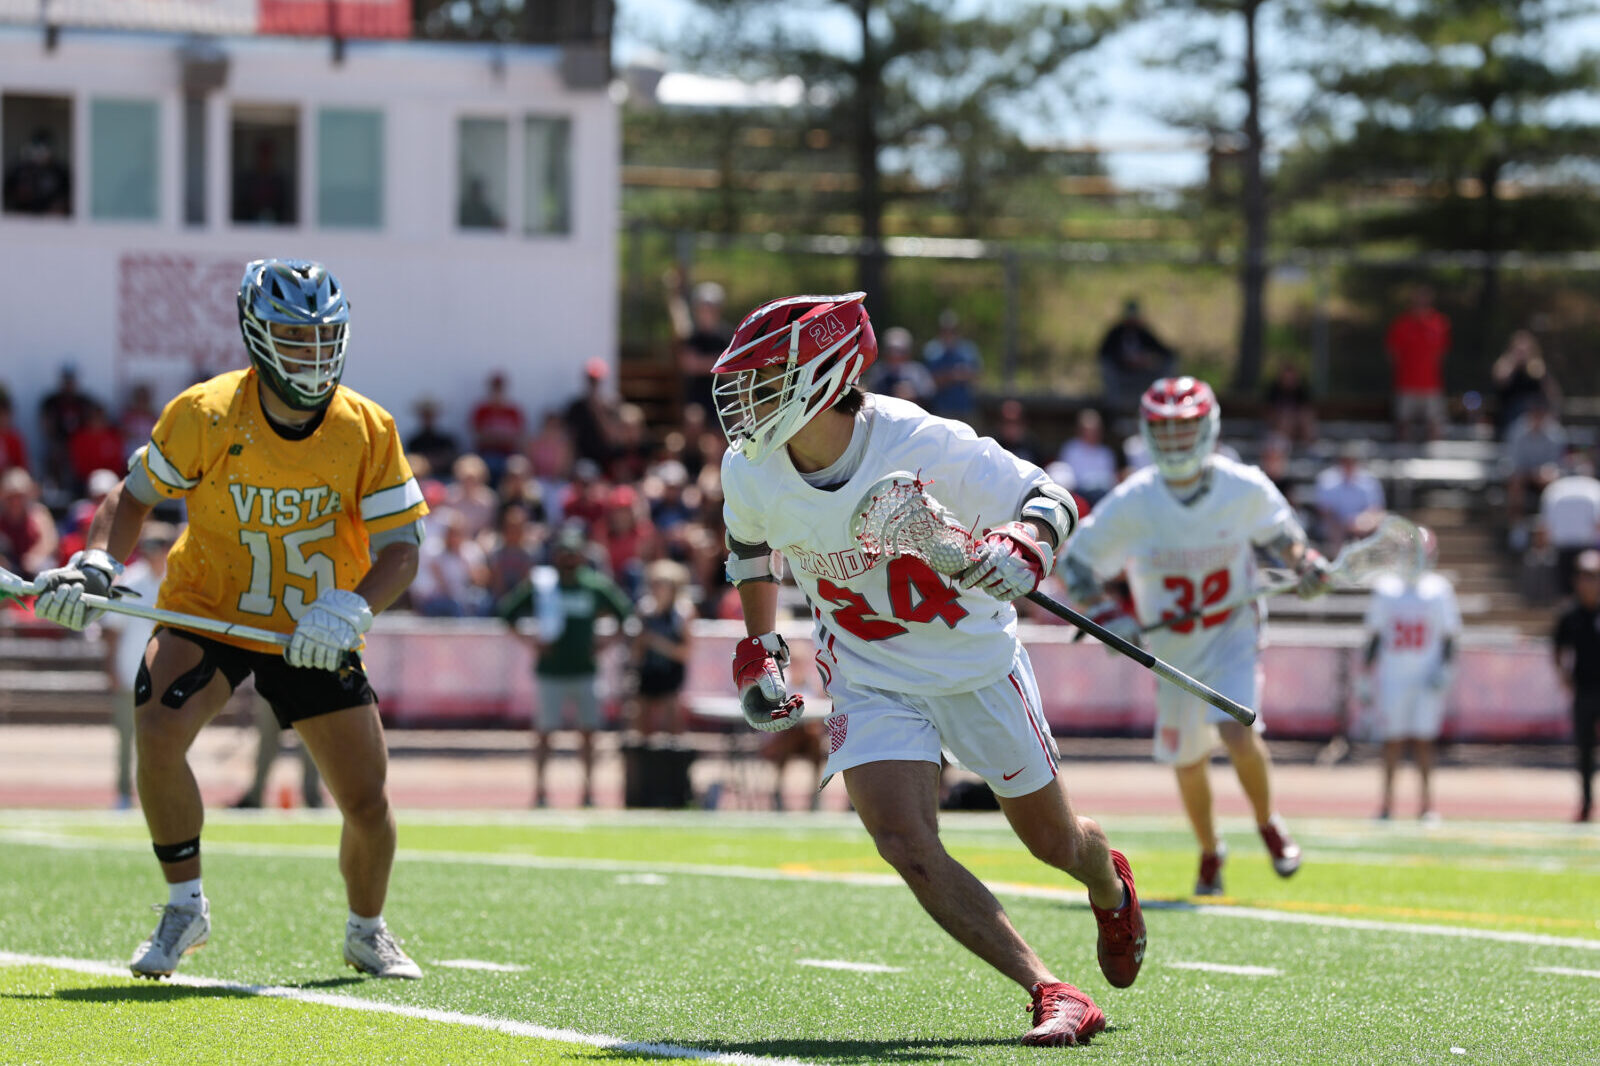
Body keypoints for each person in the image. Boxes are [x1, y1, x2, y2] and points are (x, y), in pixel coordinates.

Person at [713, 291, 1144, 1046]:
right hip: (870, 671)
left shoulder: (922, 439)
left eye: (767, 381)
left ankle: (1108, 881)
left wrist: (1024, 546)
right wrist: (762, 647)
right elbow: (751, 548)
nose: (748, 402)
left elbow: (1051, 496)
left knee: (1051, 843)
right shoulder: (749, 469)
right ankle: (1051, 989)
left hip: (973, 665)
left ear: (821, 378)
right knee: (904, 842)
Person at [30, 258, 427, 981]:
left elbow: (403, 546)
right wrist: (94, 564)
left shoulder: (367, 426)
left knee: (367, 799)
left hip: (311, 627)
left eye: (322, 335)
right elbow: (133, 495)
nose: (311, 352)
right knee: (155, 724)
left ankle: (367, 928)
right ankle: (185, 906)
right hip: (208, 607)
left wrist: (354, 605)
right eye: (291, 335)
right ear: (254, 334)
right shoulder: (208, 411)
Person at [1063, 377, 1327, 897]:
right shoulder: (1134, 501)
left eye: (1186, 430)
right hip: (1172, 651)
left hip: (1232, 631)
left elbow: (1285, 541)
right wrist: (1106, 611)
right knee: (1188, 762)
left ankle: (1268, 822)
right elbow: (1077, 565)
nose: (1178, 442)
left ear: (1208, 430)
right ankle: (1211, 851)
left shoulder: (1241, 486)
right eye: (1166, 430)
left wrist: (1308, 565)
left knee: (1235, 730)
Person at [498, 520, 632, 808]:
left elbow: (626, 615)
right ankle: (541, 791)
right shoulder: (543, 585)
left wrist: (605, 643)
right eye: (564, 554)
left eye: (573, 554)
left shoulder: (594, 585)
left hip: (584, 670)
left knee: (588, 734)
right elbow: (507, 613)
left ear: (582, 555)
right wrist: (531, 641)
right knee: (546, 733)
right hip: (552, 671)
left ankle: (588, 791)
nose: (569, 560)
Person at [1356, 529, 1460, 823]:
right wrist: (1365, 675)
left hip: (1425, 678)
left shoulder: (1439, 590)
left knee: (1425, 741)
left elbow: (1449, 636)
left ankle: (1427, 806)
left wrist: (1445, 669)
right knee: (1392, 741)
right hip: (1394, 678)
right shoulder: (1386, 589)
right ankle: (1387, 805)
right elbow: (1375, 636)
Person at [98, 521, 178, 810]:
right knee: (126, 740)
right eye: (146, 546)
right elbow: (112, 632)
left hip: (167, 677)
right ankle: (123, 794)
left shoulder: (180, 580)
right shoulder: (130, 580)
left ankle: (164, 794)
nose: (149, 552)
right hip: (131, 672)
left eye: (156, 546)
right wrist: (112, 671)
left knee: (168, 739)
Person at [1553, 549, 1600, 823]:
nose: (1589, 582)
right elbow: (1558, 650)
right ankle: (1586, 803)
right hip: (1584, 690)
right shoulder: (1570, 615)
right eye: (1584, 575)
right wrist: (1565, 679)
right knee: (1584, 750)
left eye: (1594, 576)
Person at [627, 558, 694, 739]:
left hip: (671, 675)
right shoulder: (644, 610)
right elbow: (637, 648)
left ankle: (674, 764)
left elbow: (685, 652)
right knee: (641, 720)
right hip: (647, 673)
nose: (657, 590)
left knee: (673, 720)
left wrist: (656, 642)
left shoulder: (682, 613)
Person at [229, 689, 323, 810]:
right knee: (266, 740)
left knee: (310, 741)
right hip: (271, 681)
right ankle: (254, 795)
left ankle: (313, 796)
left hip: (305, 682)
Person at [1384, 284, 1450, 442]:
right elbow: (1393, 353)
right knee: (1403, 422)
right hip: (1406, 383)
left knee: (1435, 422)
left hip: (1432, 384)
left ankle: (1435, 458)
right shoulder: (1401, 324)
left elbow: (1441, 353)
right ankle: (1402, 455)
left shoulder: (1440, 323)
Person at [668, 277, 734, 429]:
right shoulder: (691, 336)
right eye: (702, 307)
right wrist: (715, 364)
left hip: (722, 397)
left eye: (710, 307)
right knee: (693, 419)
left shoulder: (727, 336)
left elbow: (729, 371)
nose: (706, 312)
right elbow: (688, 365)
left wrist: (701, 363)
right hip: (696, 398)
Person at [1097, 299, 1176, 414]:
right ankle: (1115, 412)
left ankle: (1165, 400)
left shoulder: (1143, 333)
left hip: (1142, 373)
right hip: (1120, 373)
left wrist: (1146, 359)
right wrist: (1124, 360)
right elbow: (1104, 353)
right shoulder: (1115, 333)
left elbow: (1164, 351)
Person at [1313, 442, 1386, 554]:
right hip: (1334, 526)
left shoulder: (1370, 481)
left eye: (1352, 460)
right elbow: (1324, 511)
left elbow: (1375, 509)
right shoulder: (1327, 479)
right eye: (1345, 460)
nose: (1349, 464)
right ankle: (1338, 559)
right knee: (1333, 527)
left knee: (1379, 521)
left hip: (1363, 524)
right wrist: (1344, 525)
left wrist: (1361, 522)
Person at [1490, 329, 1560, 439]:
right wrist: (1514, 361)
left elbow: (1551, 392)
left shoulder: (1537, 367)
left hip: (1534, 418)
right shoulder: (1505, 364)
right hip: (1510, 418)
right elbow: (1501, 380)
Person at [920, 308, 982, 422]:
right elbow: (928, 381)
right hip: (941, 410)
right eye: (945, 330)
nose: (949, 333)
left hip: (965, 408)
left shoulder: (969, 349)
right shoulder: (932, 351)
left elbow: (977, 377)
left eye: (952, 330)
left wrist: (962, 375)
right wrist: (952, 376)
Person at [469, 371, 526, 488]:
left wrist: (494, 437)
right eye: (495, 388)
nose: (497, 391)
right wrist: (500, 438)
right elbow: (479, 436)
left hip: (508, 454)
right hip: (486, 453)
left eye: (500, 388)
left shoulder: (513, 411)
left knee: (516, 468)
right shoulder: (482, 410)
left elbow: (517, 437)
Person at [1056, 409, 1119, 507]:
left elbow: (1110, 480)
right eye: (1088, 430)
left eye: (1095, 430)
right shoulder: (1070, 449)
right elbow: (1065, 476)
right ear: (1080, 430)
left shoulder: (1106, 453)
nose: (1092, 434)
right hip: (1078, 495)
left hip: (1102, 495)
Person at [3, 129, 71, 215]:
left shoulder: (59, 172)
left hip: (51, 221)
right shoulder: (20, 170)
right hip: (22, 219)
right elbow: (7, 195)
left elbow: (68, 197)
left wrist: (59, 207)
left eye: (45, 149)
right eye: (37, 148)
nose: (40, 153)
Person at [864, 327, 935, 405]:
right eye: (891, 351)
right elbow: (870, 394)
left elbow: (930, 393)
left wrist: (913, 394)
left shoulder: (918, 371)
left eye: (900, 351)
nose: (895, 355)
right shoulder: (878, 372)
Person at [1263, 363, 1317, 446]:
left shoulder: (1302, 391)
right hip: (1279, 424)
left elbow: (1308, 410)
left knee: (1306, 419)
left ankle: (1309, 448)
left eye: (1291, 378)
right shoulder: (1273, 391)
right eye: (1286, 378)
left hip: (1297, 423)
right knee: (1286, 419)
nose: (1289, 380)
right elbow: (1268, 412)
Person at [404, 397, 460, 477]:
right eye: (425, 415)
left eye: (430, 415)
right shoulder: (413, 442)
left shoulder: (446, 440)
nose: (428, 418)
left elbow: (453, 460)